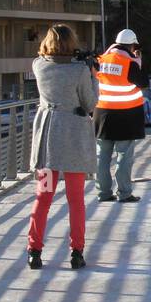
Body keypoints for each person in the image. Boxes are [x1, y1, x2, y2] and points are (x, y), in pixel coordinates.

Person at [26, 24, 98, 270]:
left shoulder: (39, 66)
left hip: (48, 143)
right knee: (76, 200)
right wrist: (92, 74)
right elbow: (90, 103)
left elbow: (48, 59)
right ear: (72, 43)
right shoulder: (79, 71)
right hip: (74, 141)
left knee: (43, 197)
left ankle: (34, 251)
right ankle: (77, 252)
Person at [94, 28, 150, 203]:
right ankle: (124, 193)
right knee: (124, 156)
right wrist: (138, 61)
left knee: (102, 156)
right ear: (132, 45)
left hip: (102, 114)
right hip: (125, 116)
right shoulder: (130, 63)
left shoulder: (100, 60)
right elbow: (144, 83)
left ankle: (103, 193)